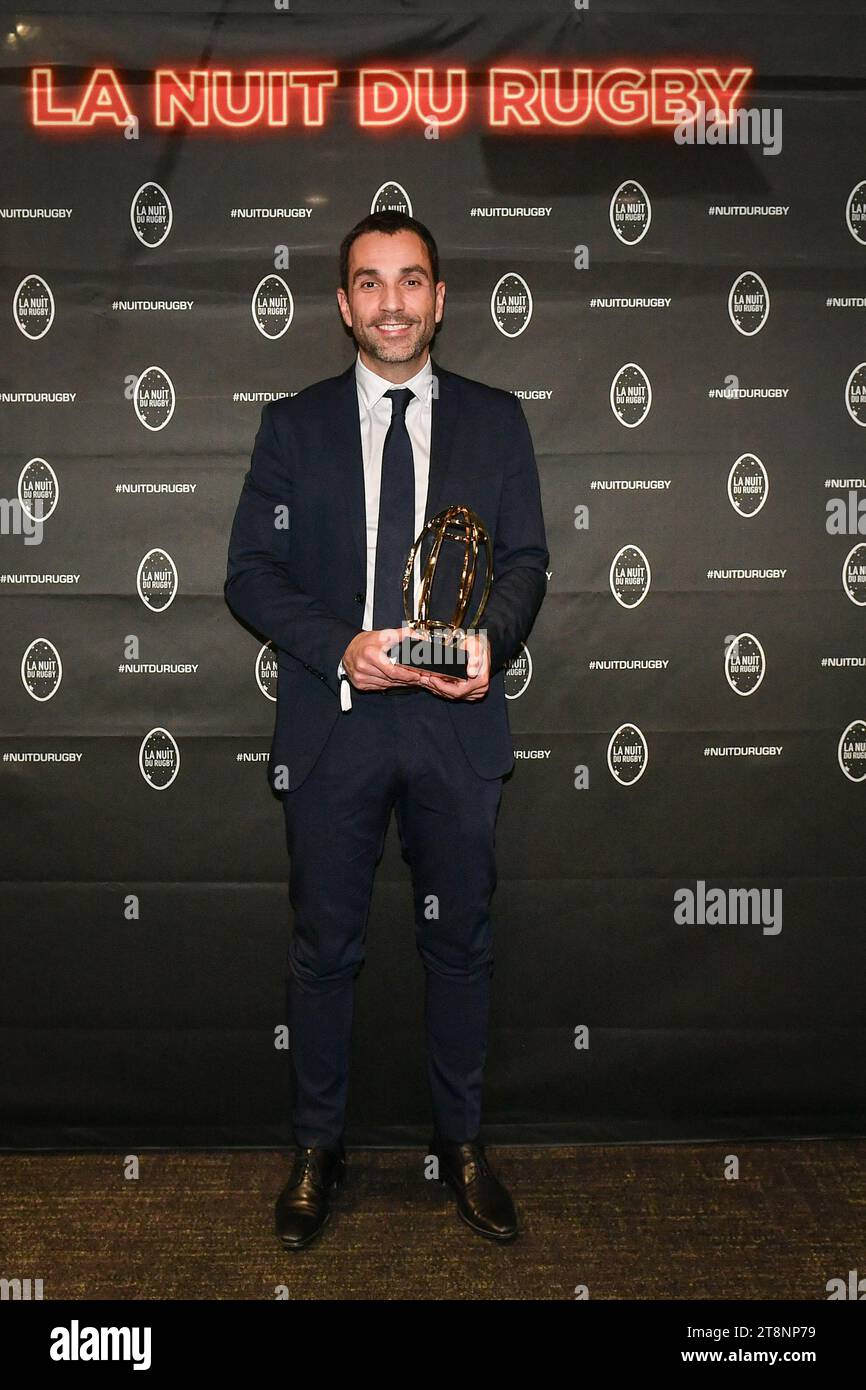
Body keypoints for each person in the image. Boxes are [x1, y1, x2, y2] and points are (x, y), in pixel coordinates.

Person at [224, 210, 548, 1249]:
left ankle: (461, 1147)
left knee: (461, 946)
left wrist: (489, 642)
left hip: (455, 732)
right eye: (369, 283)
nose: (391, 302)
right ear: (341, 304)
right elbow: (248, 573)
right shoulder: (294, 425)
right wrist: (340, 645)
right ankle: (317, 1149)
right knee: (324, 952)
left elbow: (527, 561)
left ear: (439, 299)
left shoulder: (496, 423)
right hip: (340, 728)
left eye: (410, 281)